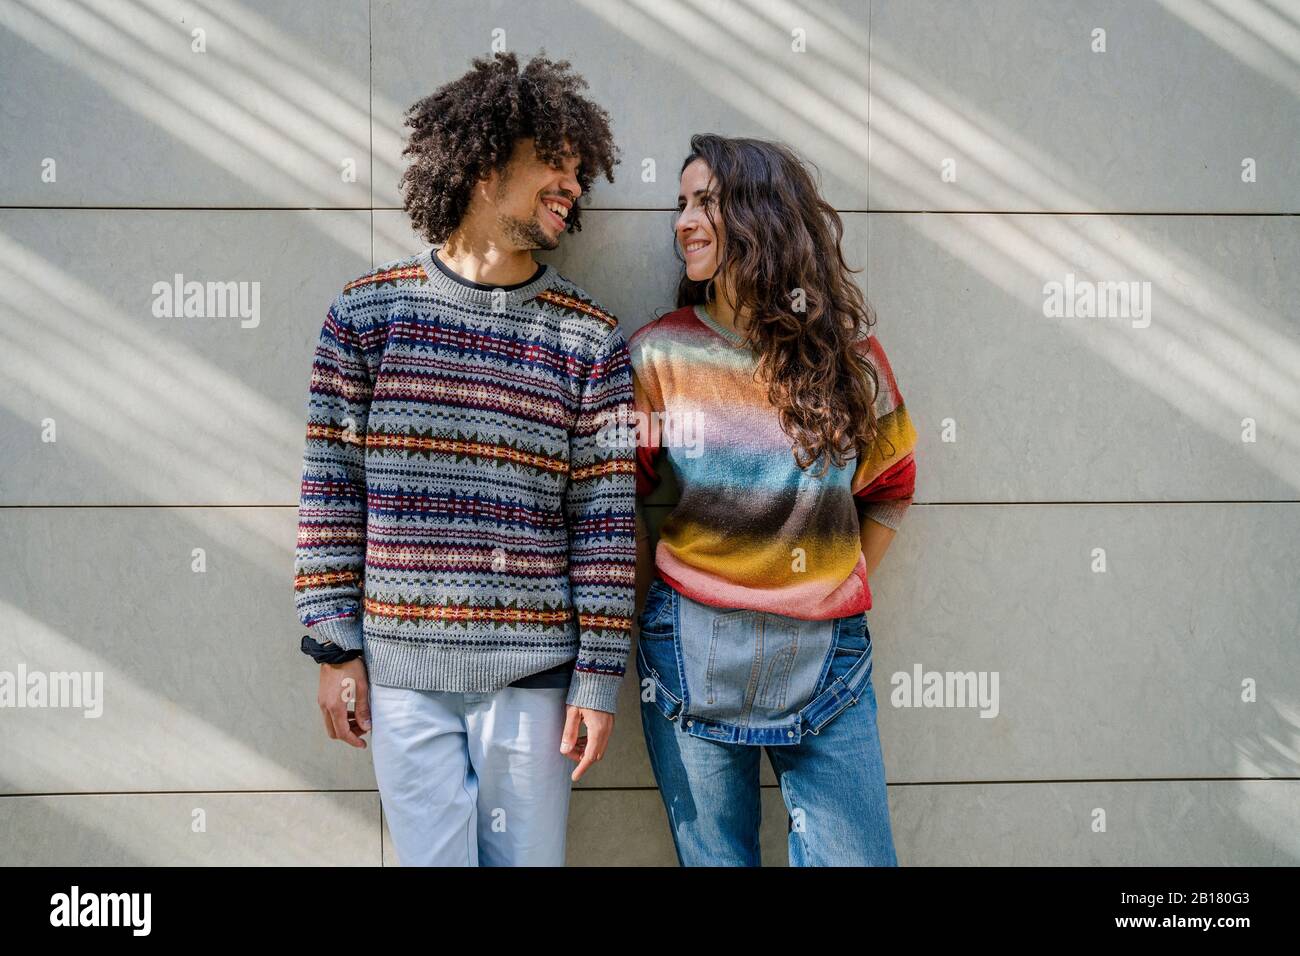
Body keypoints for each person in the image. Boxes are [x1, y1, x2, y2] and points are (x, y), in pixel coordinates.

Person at [292, 51, 636, 866]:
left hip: (533, 683)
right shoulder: (367, 317)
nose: (573, 186)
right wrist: (335, 647)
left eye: (580, 171)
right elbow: (330, 492)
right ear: (486, 167)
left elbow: (606, 524)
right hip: (402, 679)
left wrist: (597, 676)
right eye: (555, 164)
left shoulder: (589, 339)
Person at [628, 133, 918, 866]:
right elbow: (612, 496)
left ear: (763, 216)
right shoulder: (657, 354)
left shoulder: (850, 357)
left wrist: (825, 584)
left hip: (830, 668)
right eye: (681, 204)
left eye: (707, 203)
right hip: (691, 661)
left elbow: (891, 486)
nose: (683, 221)